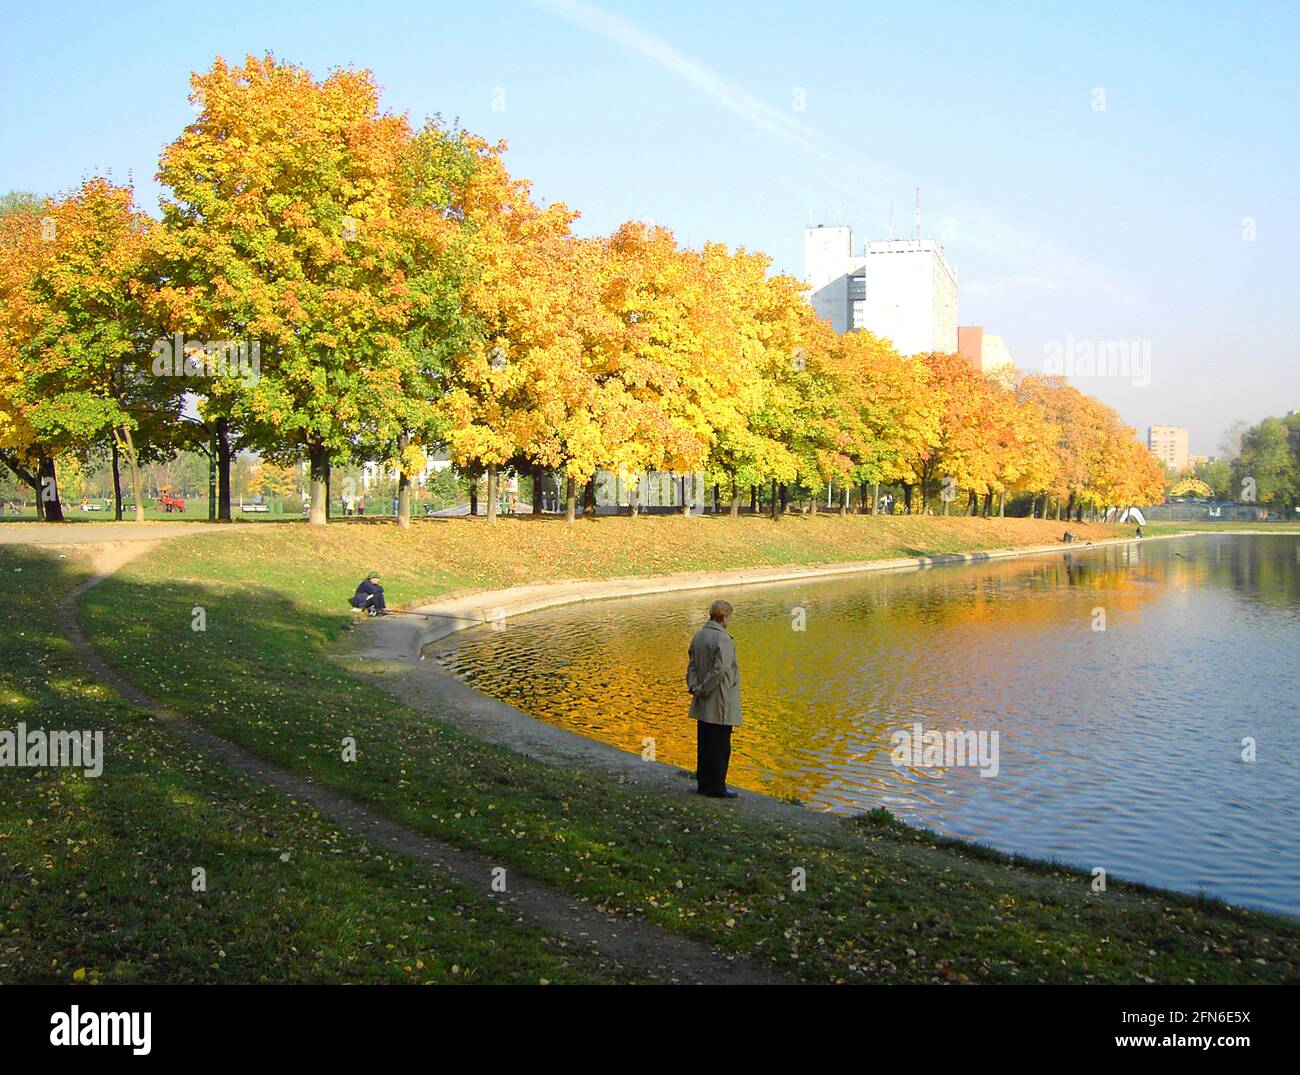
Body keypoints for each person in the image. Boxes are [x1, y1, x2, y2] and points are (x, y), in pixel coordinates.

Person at [685, 599, 742, 798]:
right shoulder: (723, 639)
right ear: (724, 617)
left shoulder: (699, 635)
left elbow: (691, 664)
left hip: (702, 700)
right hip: (720, 700)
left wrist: (693, 686)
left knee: (705, 744)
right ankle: (717, 787)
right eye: (730, 616)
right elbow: (721, 670)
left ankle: (704, 784)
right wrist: (704, 689)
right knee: (720, 746)